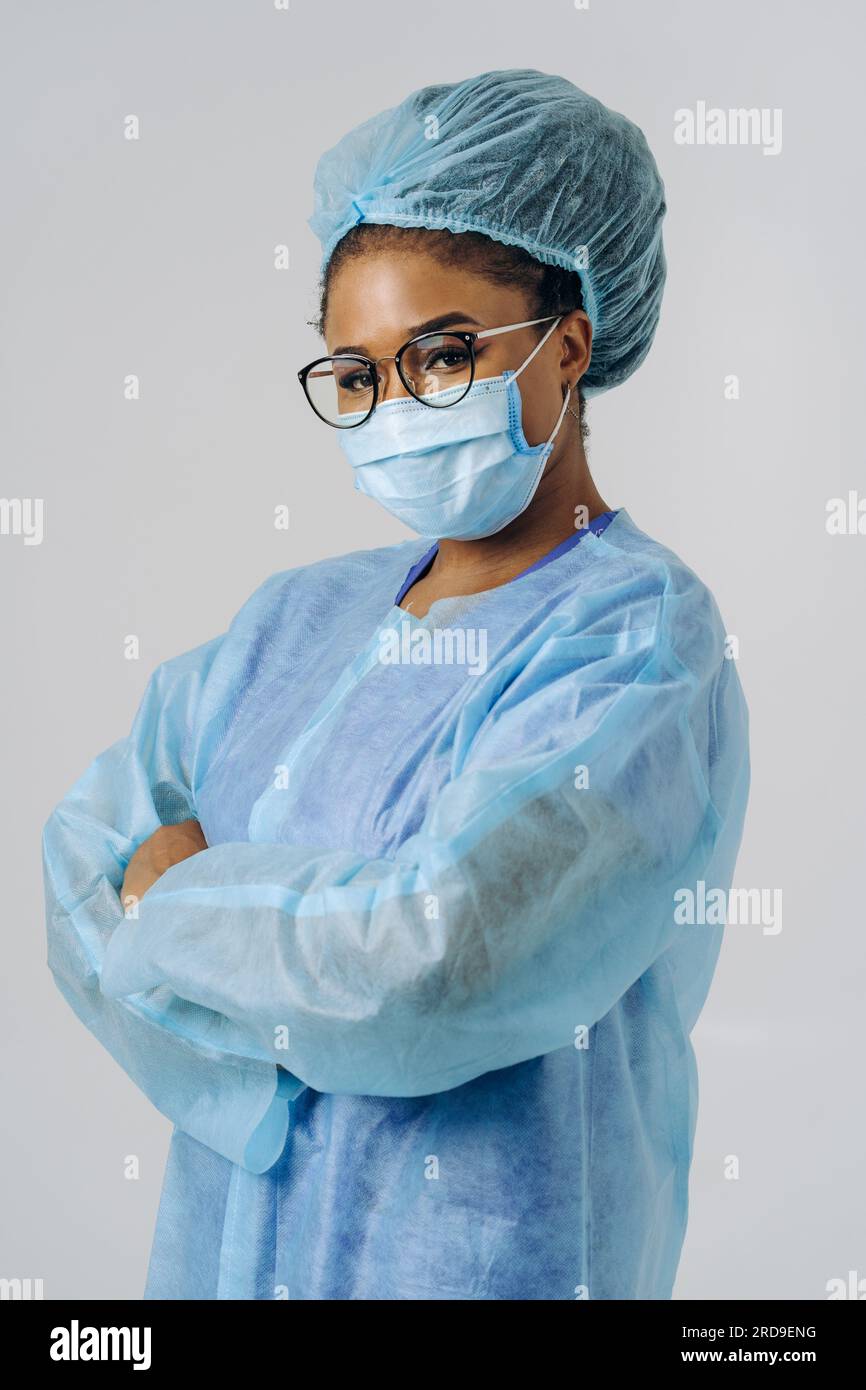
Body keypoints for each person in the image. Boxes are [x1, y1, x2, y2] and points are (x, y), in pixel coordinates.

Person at [42, 69, 750, 1300]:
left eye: (441, 355)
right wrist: (282, 984)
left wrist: (191, 896)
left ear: (566, 345)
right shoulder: (294, 619)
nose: (395, 408)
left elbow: (441, 956)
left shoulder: (639, 640)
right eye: (356, 375)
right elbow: (83, 866)